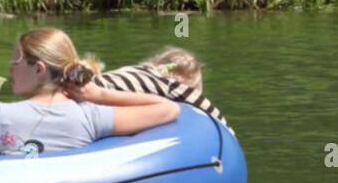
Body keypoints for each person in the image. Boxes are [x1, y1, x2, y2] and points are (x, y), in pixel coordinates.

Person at [0, 28, 180, 156]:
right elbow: (168, 108)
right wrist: (99, 95)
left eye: (16, 61)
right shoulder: (89, 116)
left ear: (39, 69)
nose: (11, 68)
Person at [93, 47, 233, 133]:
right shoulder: (172, 86)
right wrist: (229, 133)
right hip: (96, 95)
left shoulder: (139, 71)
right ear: (184, 81)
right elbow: (207, 108)